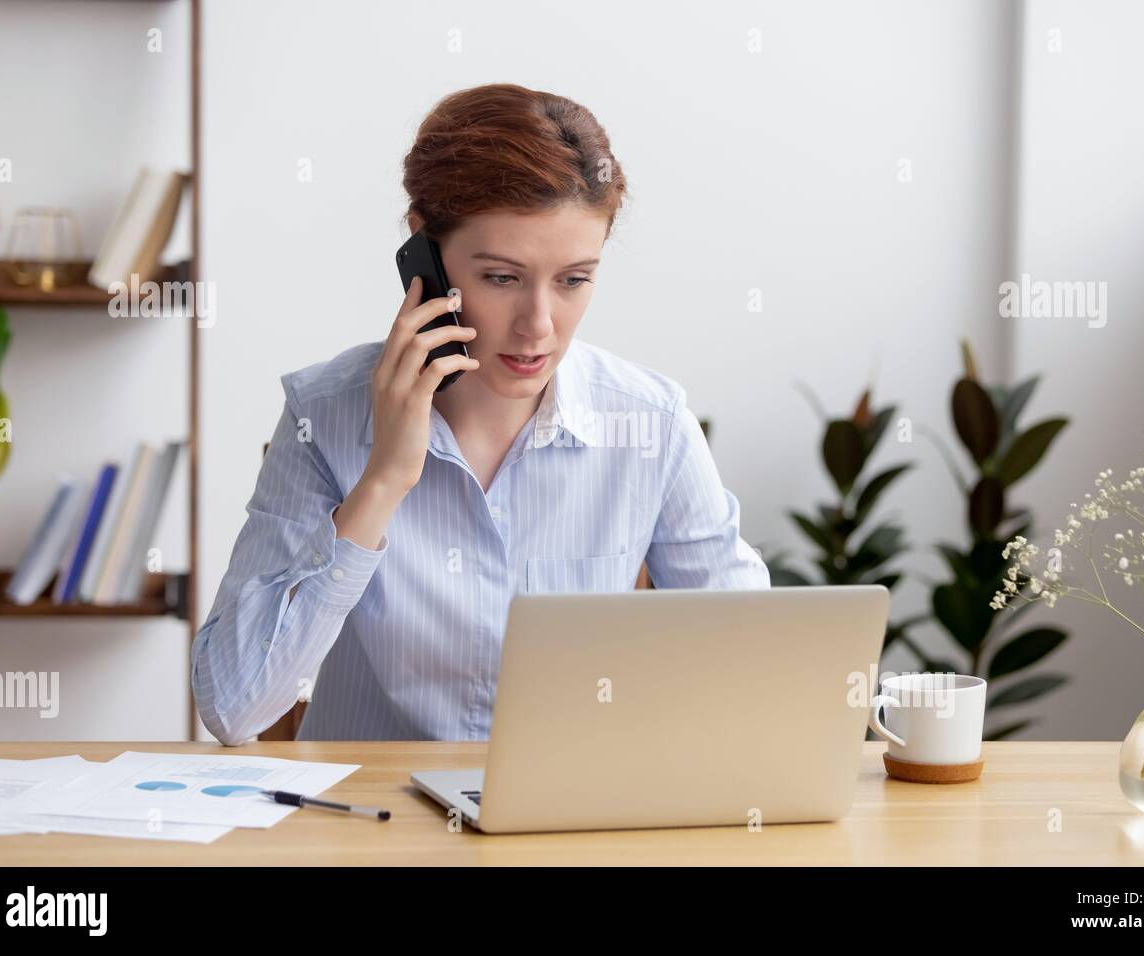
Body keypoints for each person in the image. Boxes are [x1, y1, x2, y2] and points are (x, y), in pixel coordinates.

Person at [192, 83, 769, 746]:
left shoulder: (651, 425)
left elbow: (752, 671)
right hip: (376, 833)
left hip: (569, 830)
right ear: (424, 255)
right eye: (501, 277)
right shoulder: (323, 417)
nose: (539, 327)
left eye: (574, 280)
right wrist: (382, 481)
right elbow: (233, 707)